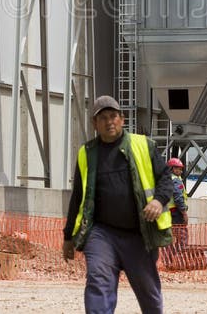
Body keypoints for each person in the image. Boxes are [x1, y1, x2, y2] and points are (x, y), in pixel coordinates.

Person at [63, 95, 174, 314]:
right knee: (98, 281)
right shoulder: (87, 153)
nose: (109, 121)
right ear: (95, 124)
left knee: (149, 295)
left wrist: (158, 202)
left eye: (113, 116)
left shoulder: (143, 145)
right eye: (102, 118)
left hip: (138, 234)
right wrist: (68, 237)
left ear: (122, 119)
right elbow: (78, 196)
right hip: (102, 234)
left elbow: (166, 179)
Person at [162, 157, 190, 266]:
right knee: (182, 238)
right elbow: (178, 197)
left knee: (169, 238)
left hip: (167, 213)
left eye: (181, 169)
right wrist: (184, 213)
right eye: (178, 169)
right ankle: (180, 261)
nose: (180, 171)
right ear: (172, 168)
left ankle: (168, 262)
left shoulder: (165, 179)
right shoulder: (175, 180)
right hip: (176, 213)